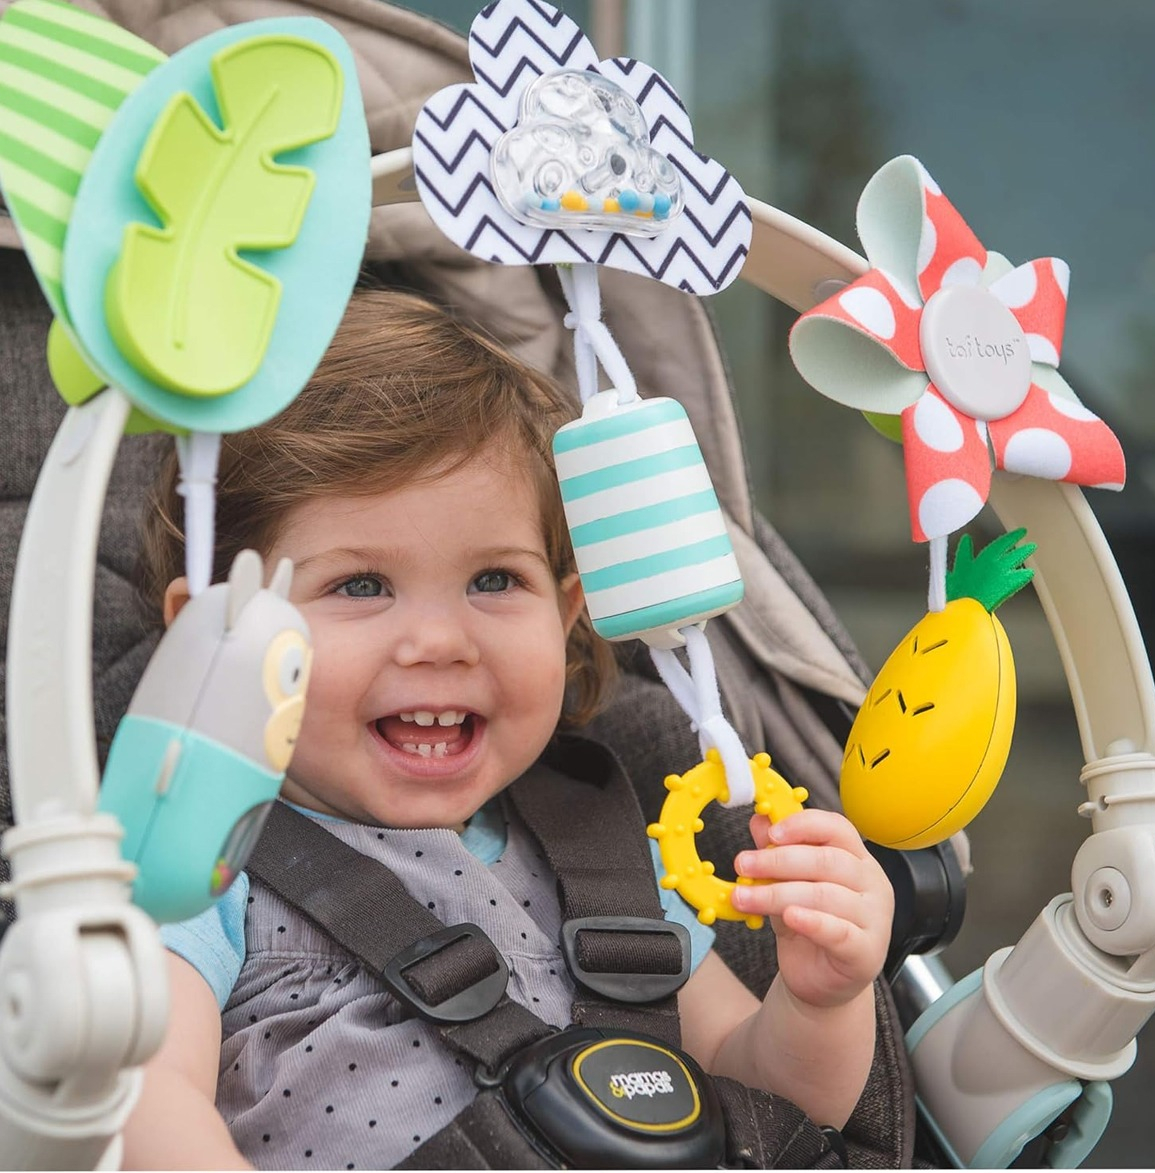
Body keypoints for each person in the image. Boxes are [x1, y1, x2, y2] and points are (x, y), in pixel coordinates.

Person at [120, 288, 894, 1170]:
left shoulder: (606, 865)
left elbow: (763, 1105)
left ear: (567, 616)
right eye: (361, 584)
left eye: (494, 580)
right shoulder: (196, 869)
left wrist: (819, 1002)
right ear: (214, 633)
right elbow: (141, 1091)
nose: (440, 641)